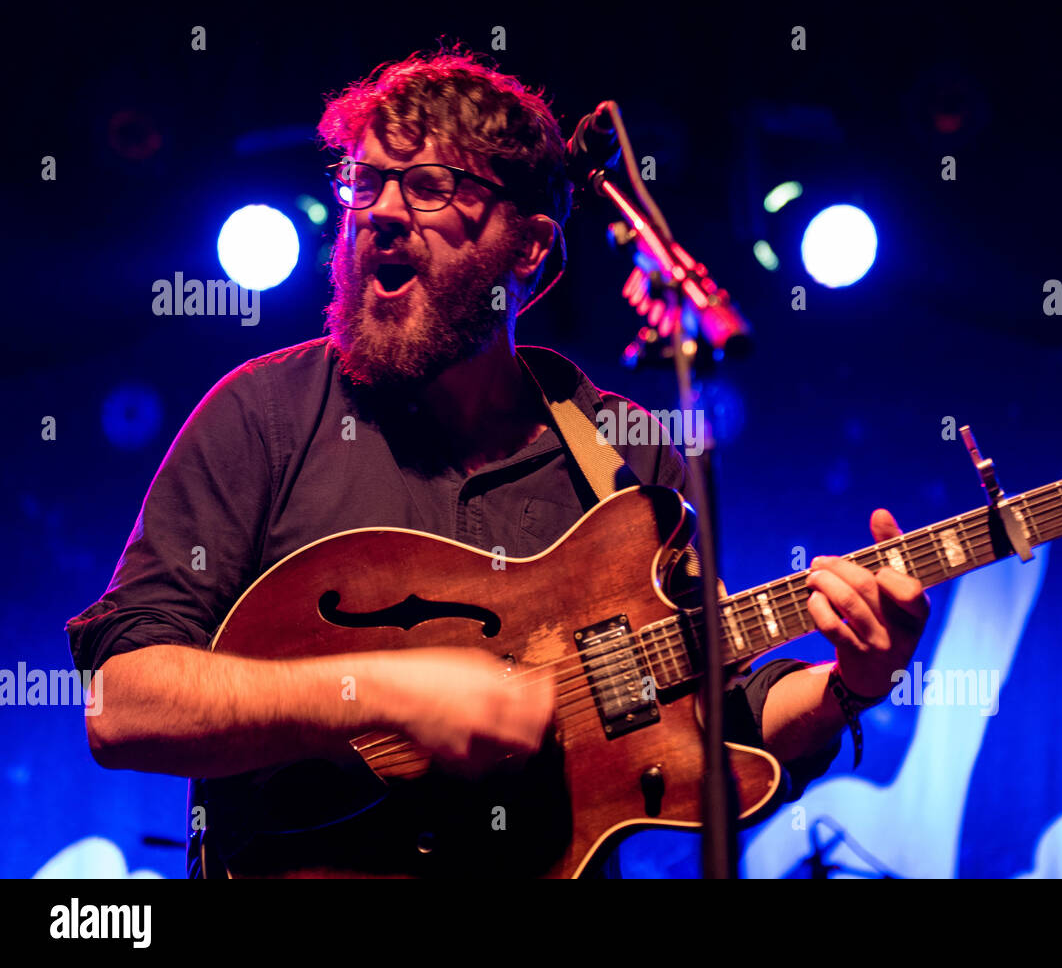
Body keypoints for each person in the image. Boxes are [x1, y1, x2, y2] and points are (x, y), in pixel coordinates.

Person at [65, 47, 930, 877]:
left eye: (432, 186)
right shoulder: (262, 415)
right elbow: (126, 702)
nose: (381, 212)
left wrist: (848, 684)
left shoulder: (616, 450)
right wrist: (387, 693)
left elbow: (717, 714)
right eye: (365, 180)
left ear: (530, 248)